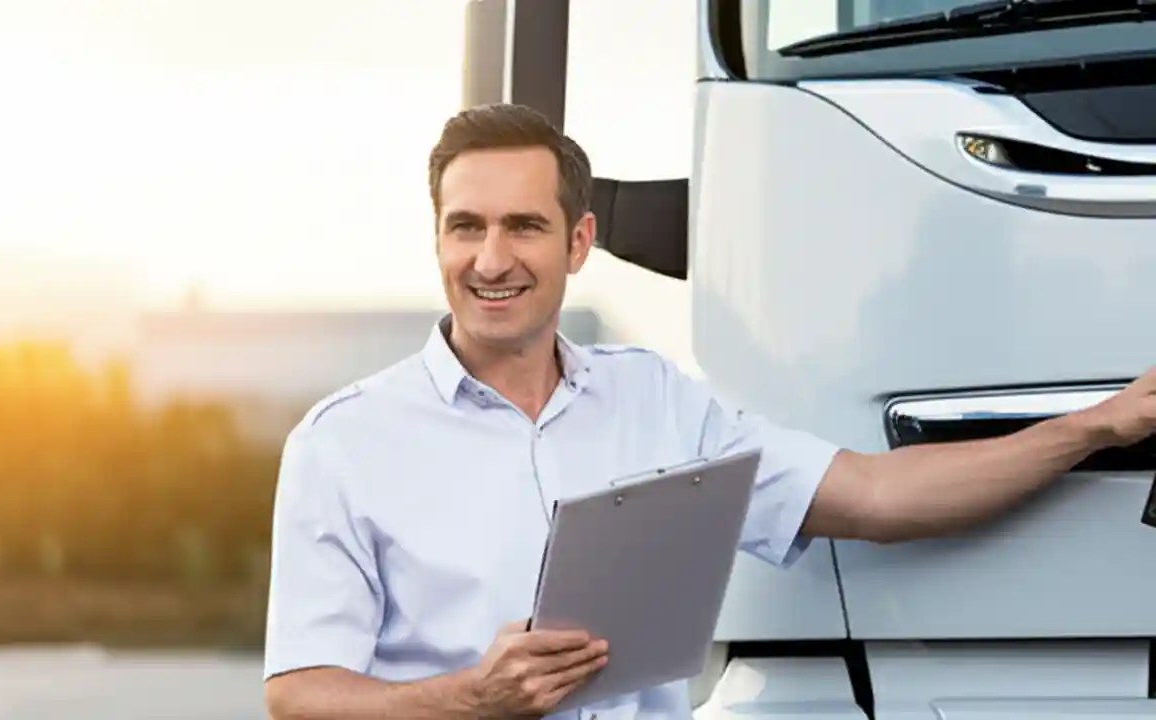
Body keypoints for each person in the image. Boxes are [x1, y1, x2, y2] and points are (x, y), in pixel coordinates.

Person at [262, 103, 1156, 720]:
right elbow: (299, 696)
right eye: (467, 226)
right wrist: (472, 700)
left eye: (523, 226)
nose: (491, 259)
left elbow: (878, 496)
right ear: (437, 239)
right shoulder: (343, 444)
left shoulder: (656, 400)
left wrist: (1096, 427)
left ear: (579, 242)